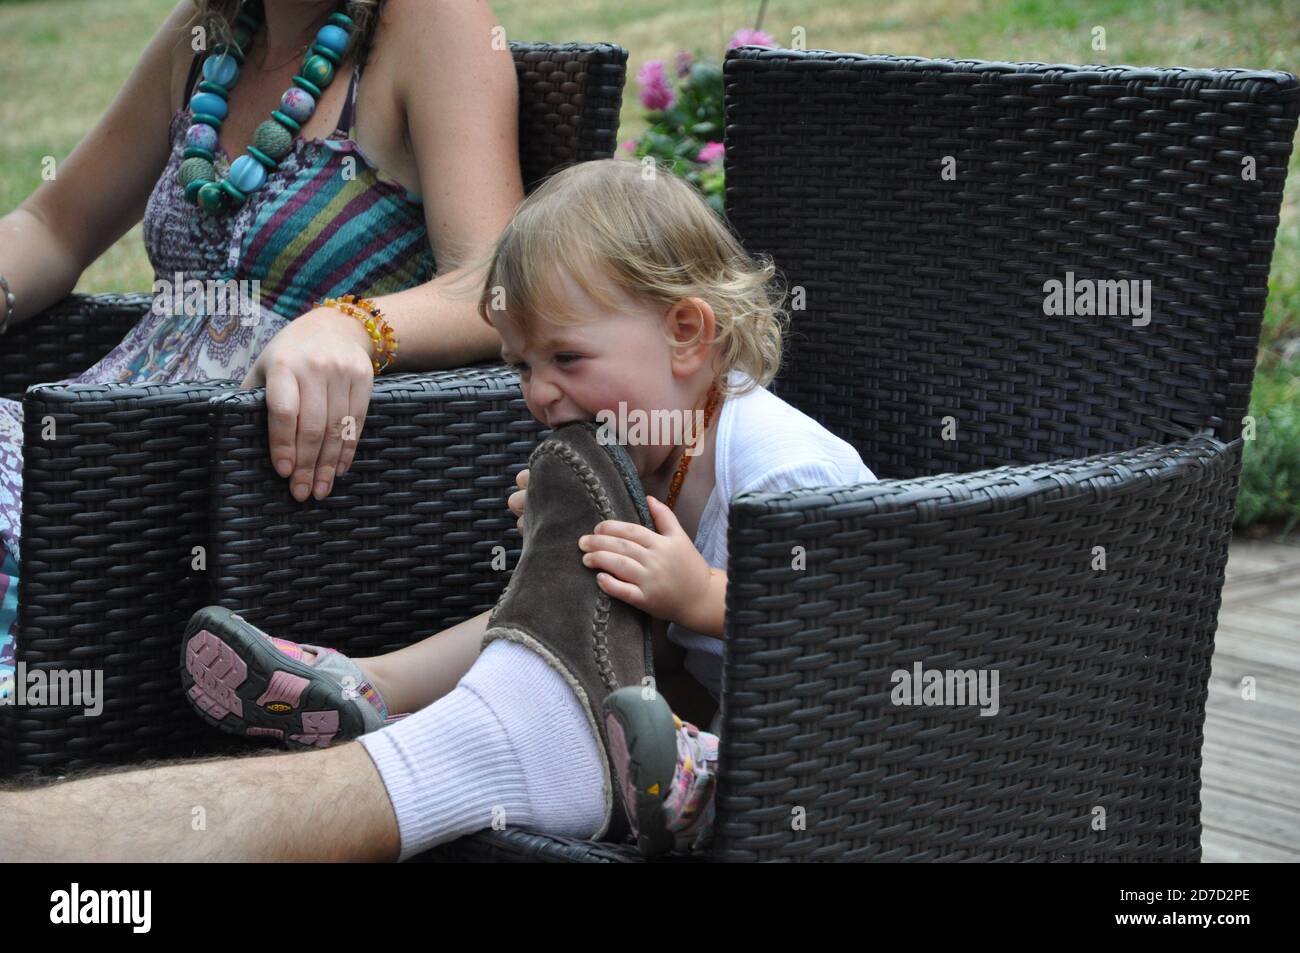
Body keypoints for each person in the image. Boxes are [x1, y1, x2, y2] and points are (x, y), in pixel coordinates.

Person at [0, 157, 877, 861]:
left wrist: (698, 598)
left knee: (661, 693)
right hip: (695, 697)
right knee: (557, 599)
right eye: (523, 366)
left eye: (567, 358)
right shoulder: (648, 444)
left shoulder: (778, 462)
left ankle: (694, 785)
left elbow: (853, 627)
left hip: (817, 737)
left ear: (688, 333)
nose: (539, 395)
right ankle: (374, 681)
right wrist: (559, 538)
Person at [0, 0, 523, 699]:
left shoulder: (434, 22)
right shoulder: (207, 34)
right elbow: (53, 225)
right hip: (92, 454)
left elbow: (496, 284)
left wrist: (350, 324)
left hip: (210, 489)